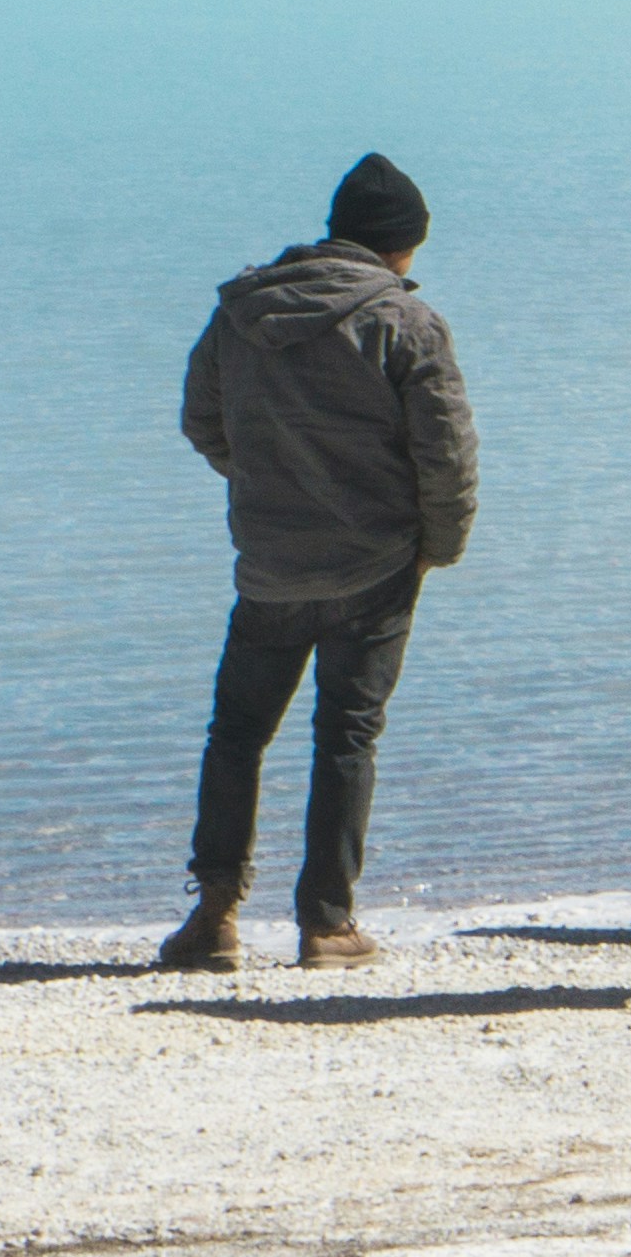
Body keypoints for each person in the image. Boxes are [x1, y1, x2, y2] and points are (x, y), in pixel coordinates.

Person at [160, 150, 476, 972]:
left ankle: (216, 917)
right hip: (376, 567)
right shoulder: (407, 323)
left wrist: (267, 483)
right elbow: (446, 455)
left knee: (236, 734)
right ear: (400, 248)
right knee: (346, 736)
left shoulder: (241, 313)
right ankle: (328, 924)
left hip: (270, 563)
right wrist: (436, 548)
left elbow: (202, 421)